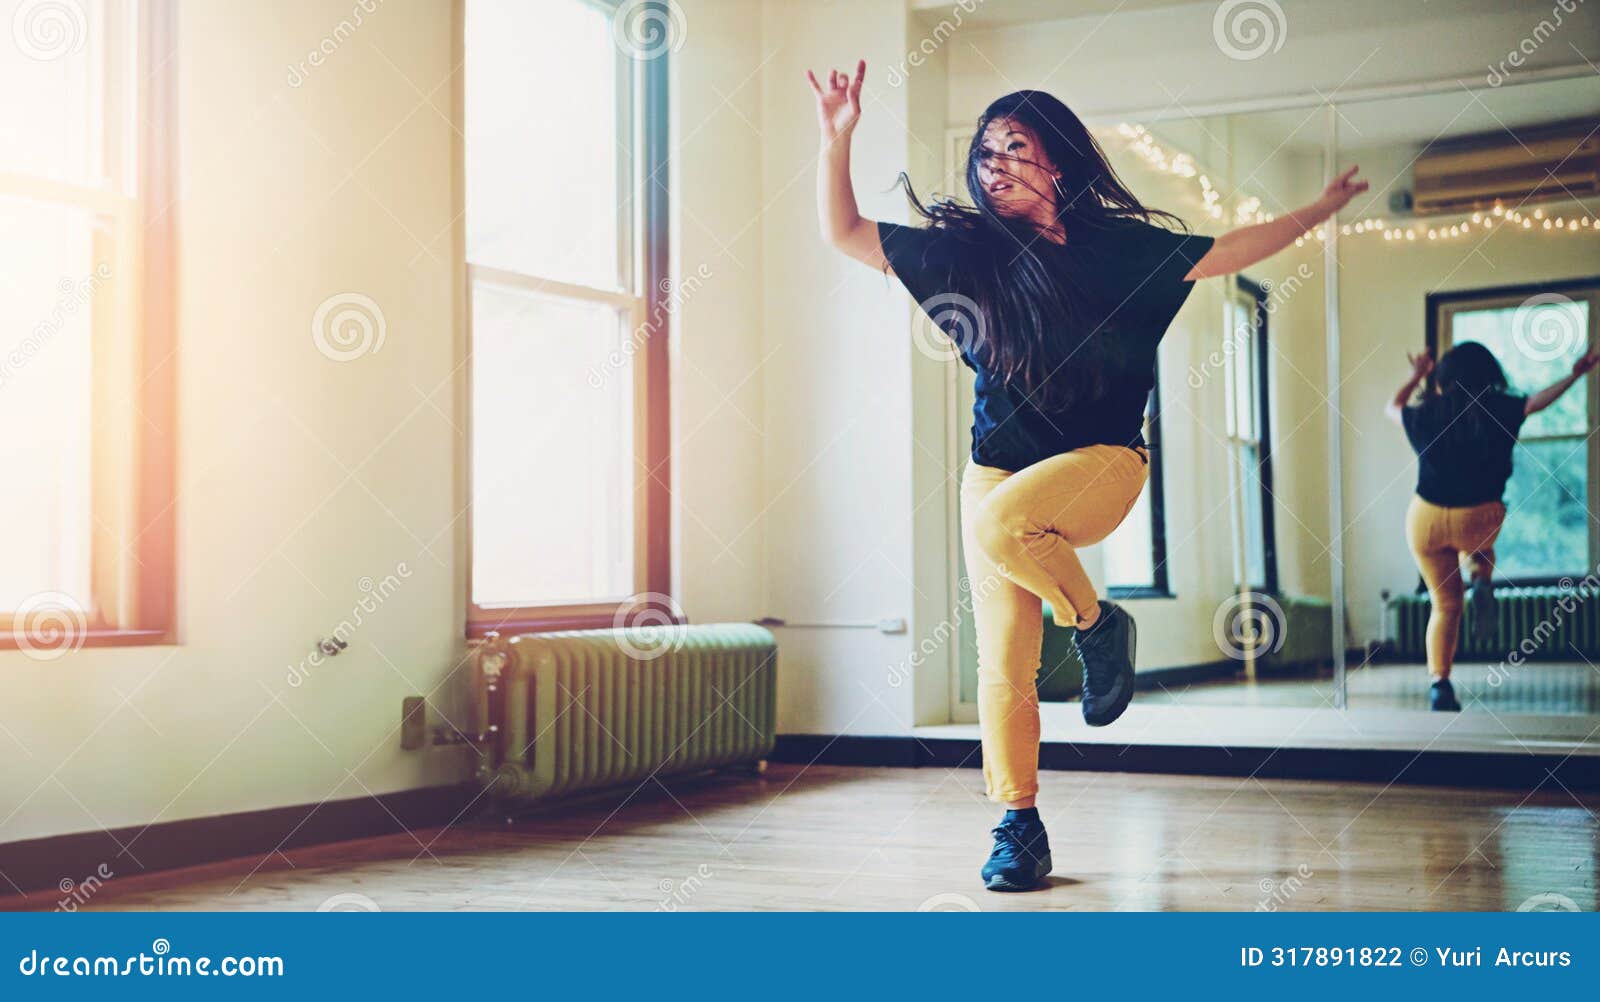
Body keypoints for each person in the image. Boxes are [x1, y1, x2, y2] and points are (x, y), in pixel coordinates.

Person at [805, 60, 1367, 891]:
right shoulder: (969, 258)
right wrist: (836, 141)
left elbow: (1230, 249)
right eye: (985, 154)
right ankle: (1018, 827)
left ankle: (1098, 625)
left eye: (1014, 147)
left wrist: (1318, 211)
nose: (994, 165)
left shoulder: (1121, 252)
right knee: (1004, 661)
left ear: (1057, 160)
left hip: (1103, 465)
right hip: (996, 473)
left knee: (1002, 529)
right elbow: (845, 233)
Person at [1386, 341, 1599, 711]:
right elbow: (1538, 401)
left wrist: (1417, 375)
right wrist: (1576, 373)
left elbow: (1392, 407)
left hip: (1425, 519)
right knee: (1481, 545)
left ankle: (1440, 683)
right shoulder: (1500, 408)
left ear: (1444, 378)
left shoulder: (1427, 412)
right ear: (1489, 374)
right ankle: (1481, 576)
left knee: (1445, 605)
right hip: (1478, 518)